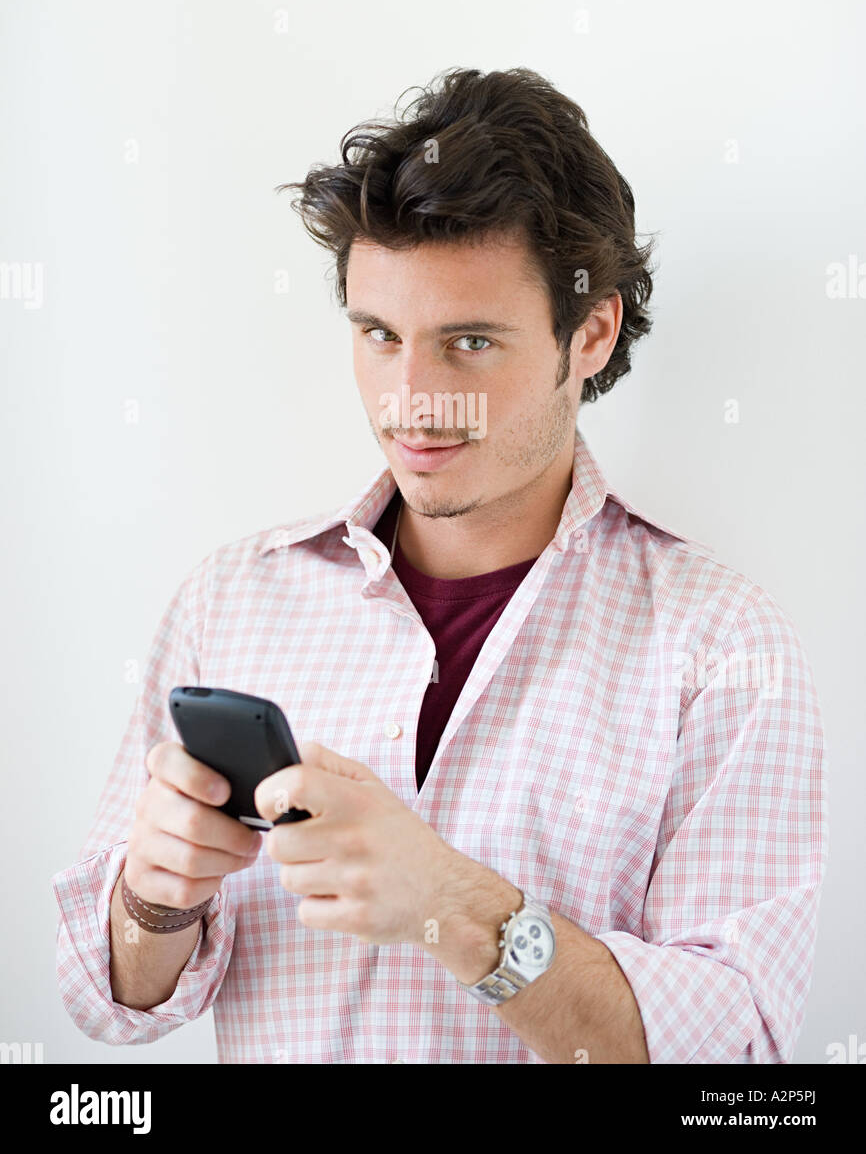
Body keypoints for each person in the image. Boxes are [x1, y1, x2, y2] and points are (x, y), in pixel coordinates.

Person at [52, 67, 827, 1063]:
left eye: (468, 342)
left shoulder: (720, 643)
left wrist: (458, 909)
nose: (410, 399)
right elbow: (106, 1003)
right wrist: (155, 901)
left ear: (589, 333)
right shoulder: (231, 601)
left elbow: (743, 1060)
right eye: (380, 335)